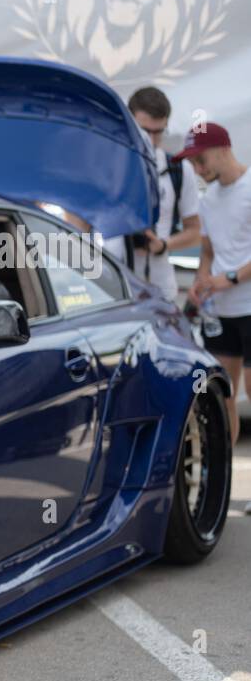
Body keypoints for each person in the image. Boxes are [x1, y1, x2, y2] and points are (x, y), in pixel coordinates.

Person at [182, 122, 251, 443]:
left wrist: (234, 277)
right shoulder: (207, 199)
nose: (197, 168)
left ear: (223, 150)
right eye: (193, 162)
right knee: (222, 400)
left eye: (201, 159)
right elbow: (208, 251)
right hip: (220, 311)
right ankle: (222, 491)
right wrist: (202, 280)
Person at [122, 87, 202, 301]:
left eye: (158, 132)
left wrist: (163, 245)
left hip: (159, 286)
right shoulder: (108, 167)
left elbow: (195, 231)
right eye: (144, 131)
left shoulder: (179, 169)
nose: (151, 139)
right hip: (112, 284)